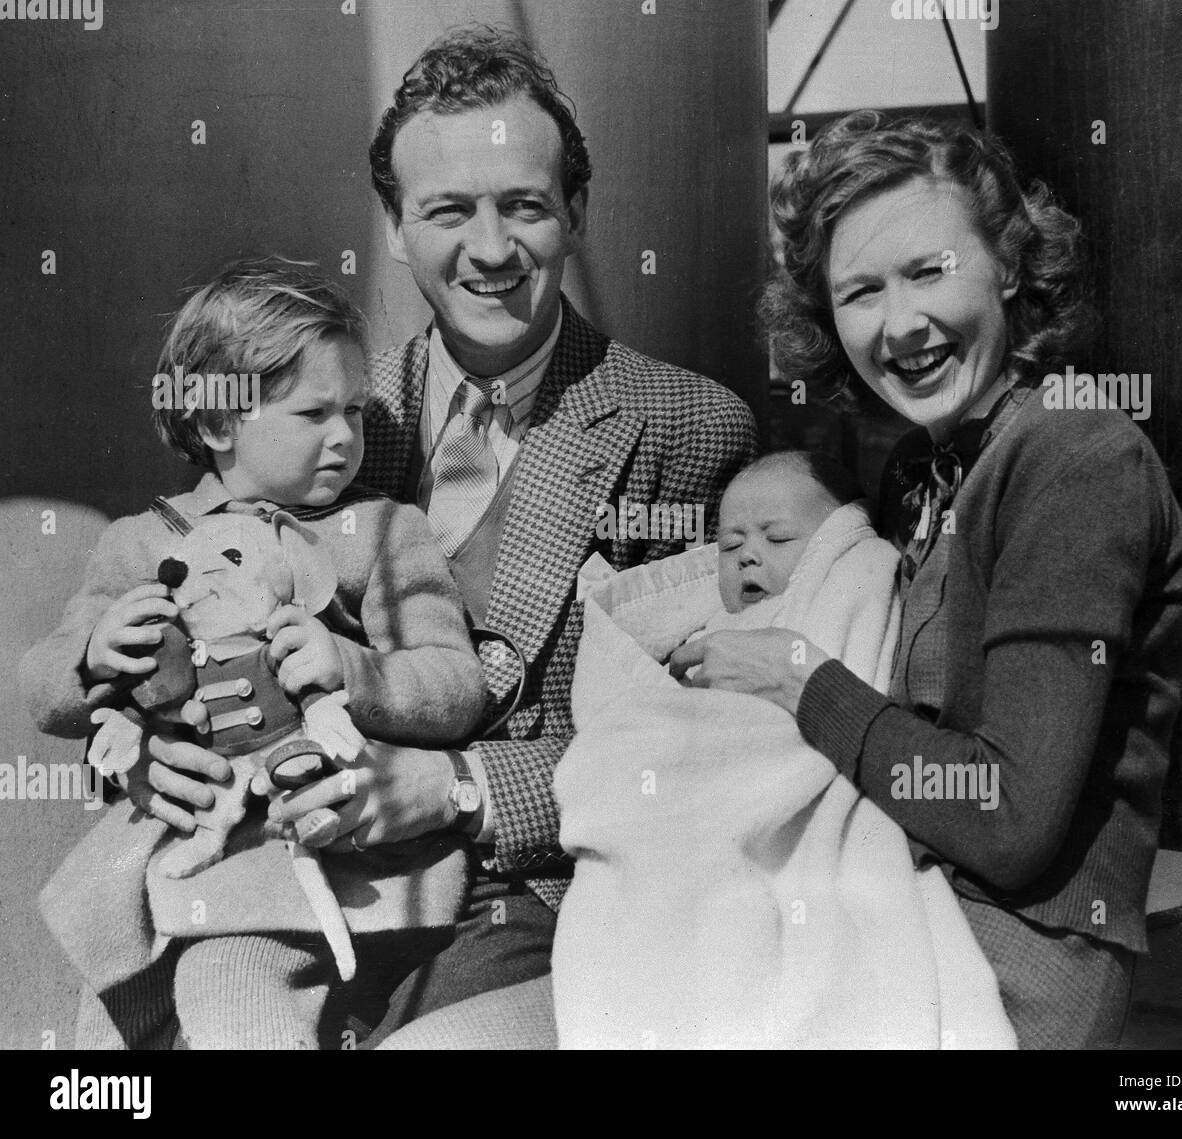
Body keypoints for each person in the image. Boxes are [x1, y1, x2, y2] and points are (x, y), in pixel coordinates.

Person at [123, 25, 758, 1037]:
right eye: (449, 211)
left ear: (578, 213)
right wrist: (153, 751)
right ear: (394, 227)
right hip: (290, 880)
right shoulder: (320, 418)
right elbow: (165, 618)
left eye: (525, 206)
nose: (491, 249)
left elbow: (708, 748)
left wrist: (458, 786)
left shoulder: (687, 427)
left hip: (542, 901)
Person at [671, 111, 1182, 1049]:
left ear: (1010, 266)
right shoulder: (929, 468)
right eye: (860, 290)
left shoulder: (1074, 455)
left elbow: (1011, 820)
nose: (900, 324)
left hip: (1014, 969)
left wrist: (800, 679)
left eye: (929, 272)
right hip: (904, 907)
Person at [21, 257, 487, 1048]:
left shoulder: (379, 529)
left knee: (231, 978)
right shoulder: (143, 541)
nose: (346, 437)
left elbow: (456, 681)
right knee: (107, 1023)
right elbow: (44, 685)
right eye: (314, 413)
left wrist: (354, 667)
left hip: (323, 846)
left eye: (357, 411)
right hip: (174, 845)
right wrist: (96, 655)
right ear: (214, 423)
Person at [714, 450, 861, 614]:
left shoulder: (838, 618)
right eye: (731, 545)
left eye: (777, 538)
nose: (746, 555)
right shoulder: (705, 631)